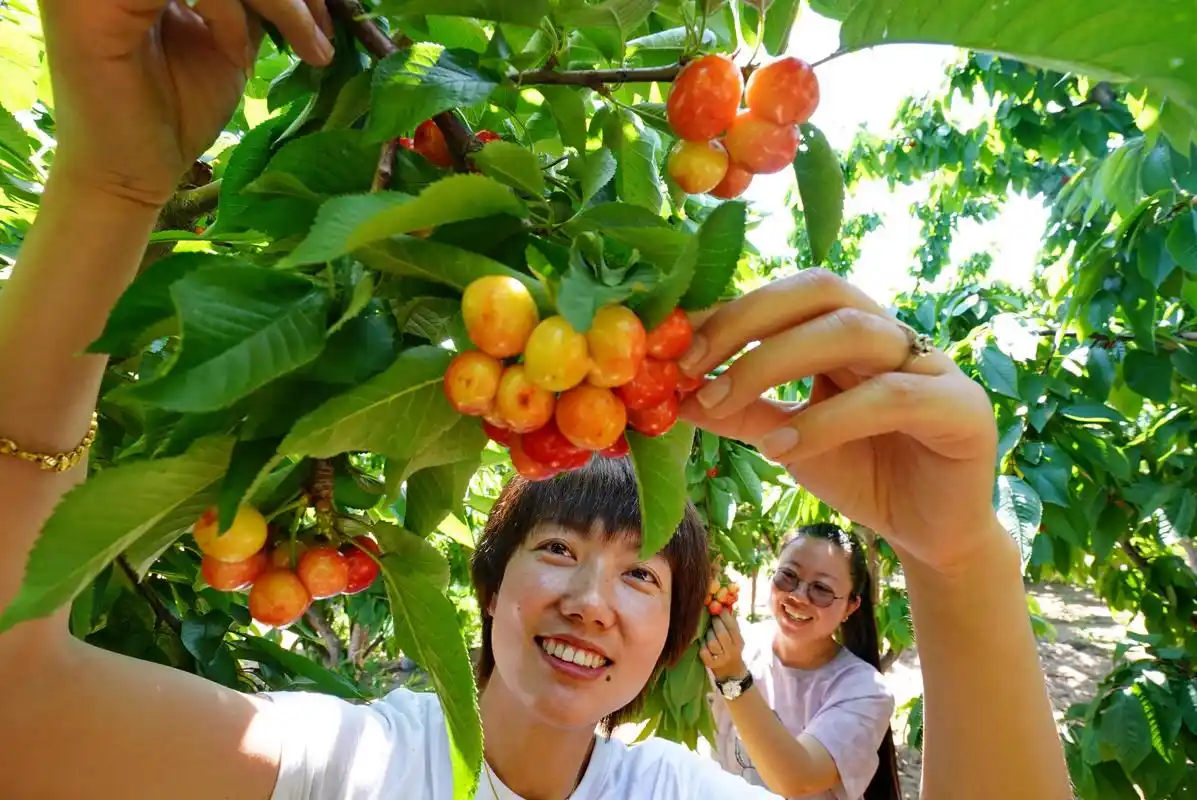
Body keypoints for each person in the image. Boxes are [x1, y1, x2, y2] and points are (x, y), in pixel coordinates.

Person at [0, 1, 1073, 799]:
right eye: (557, 547)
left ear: (670, 640)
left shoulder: (676, 792)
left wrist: (962, 560)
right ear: (487, 578)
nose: (592, 594)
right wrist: (112, 187)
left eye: (643, 569)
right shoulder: (355, 762)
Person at [699, 524, 901, 800]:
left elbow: (797, 778)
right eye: (788, 576)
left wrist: (732, 676)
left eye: (821, 589)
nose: (798, 596)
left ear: (850, 607)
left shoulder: (865, 690)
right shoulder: (734, 644)